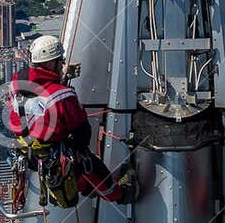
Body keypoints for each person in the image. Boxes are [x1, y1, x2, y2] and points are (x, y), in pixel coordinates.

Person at [8, 35, 132, 208]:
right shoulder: (62, 95)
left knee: (71, 166)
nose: (62, 65)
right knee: (90, 166)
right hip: (54, 154)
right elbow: (82, 132)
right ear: (52, 64)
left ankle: (85, 186)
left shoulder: (17, 82)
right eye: (60, 61)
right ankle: (120, 195)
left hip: (29, 152)